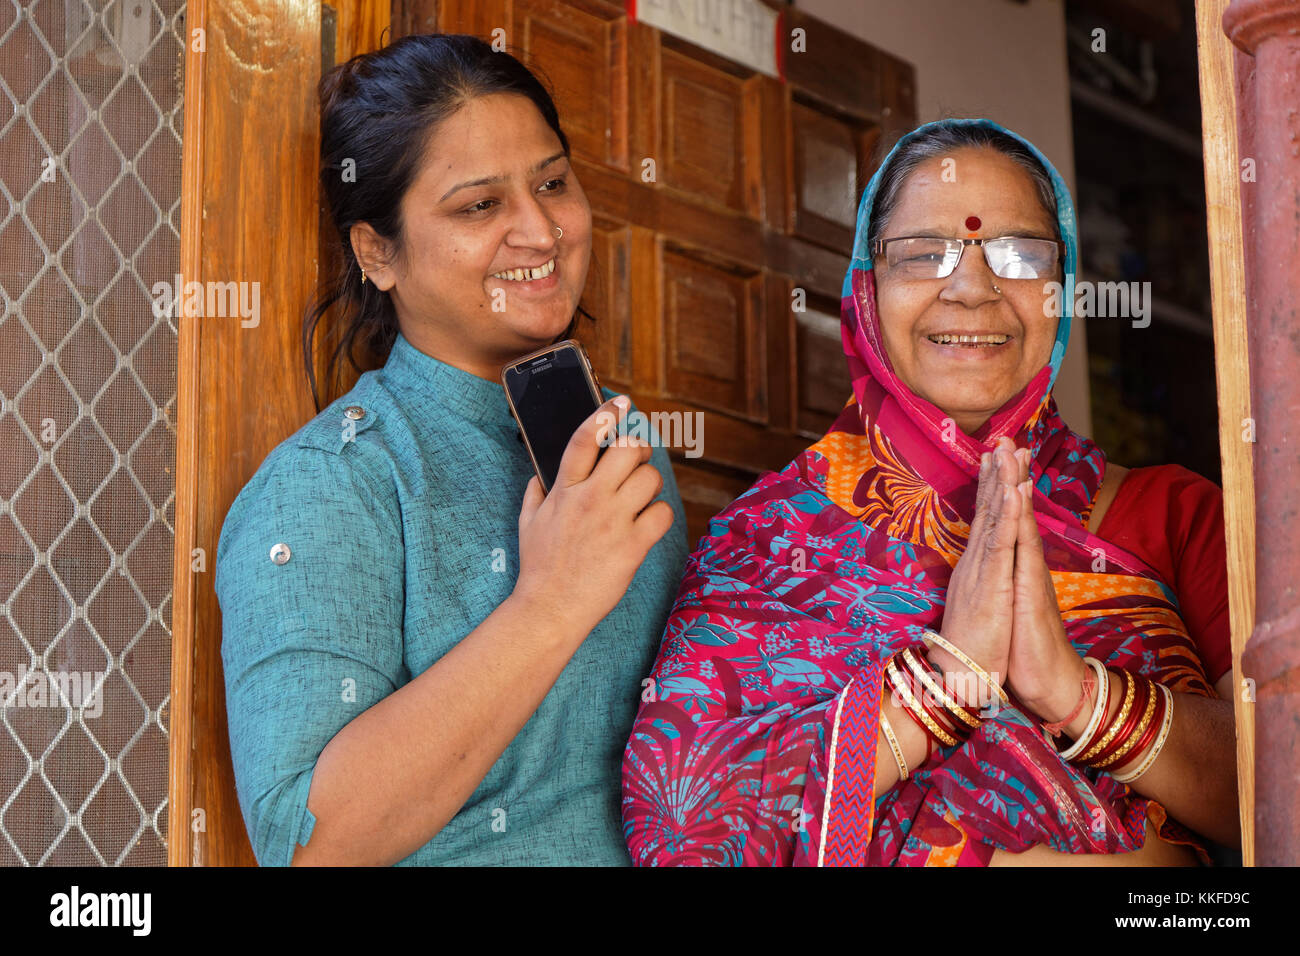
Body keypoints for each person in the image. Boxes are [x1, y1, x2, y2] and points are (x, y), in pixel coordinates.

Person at [621, 118, 1237, 866]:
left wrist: (1074, 692)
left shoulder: (1177, 516)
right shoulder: (762, 543)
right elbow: (684, 828)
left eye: (1017, 254)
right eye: (922, 254)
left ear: (1062, 285)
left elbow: (1280, 790)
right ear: (866, 290)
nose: (973, 289)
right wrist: (941, 686)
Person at [215, 34, 688, 866]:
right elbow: (305, 844)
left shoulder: (623, 442)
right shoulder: (332, 484)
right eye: (479, 207)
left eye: (551, 183)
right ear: (377, 253)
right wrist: (553, 601)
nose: (540, 231)